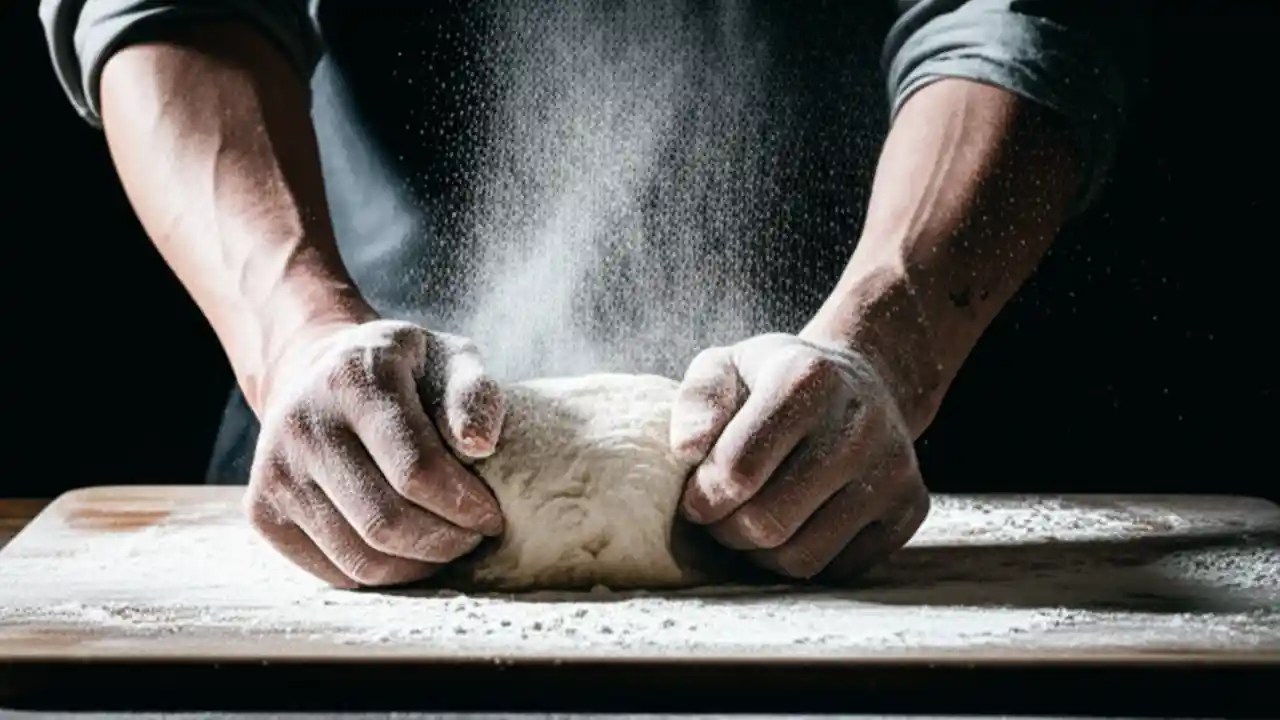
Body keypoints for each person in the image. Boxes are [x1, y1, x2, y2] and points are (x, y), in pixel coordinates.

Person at [39, 0, 1143, 588]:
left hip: (891, 461)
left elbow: (1018, 14)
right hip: (350, 435)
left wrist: (885, 342)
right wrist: (296, 337)